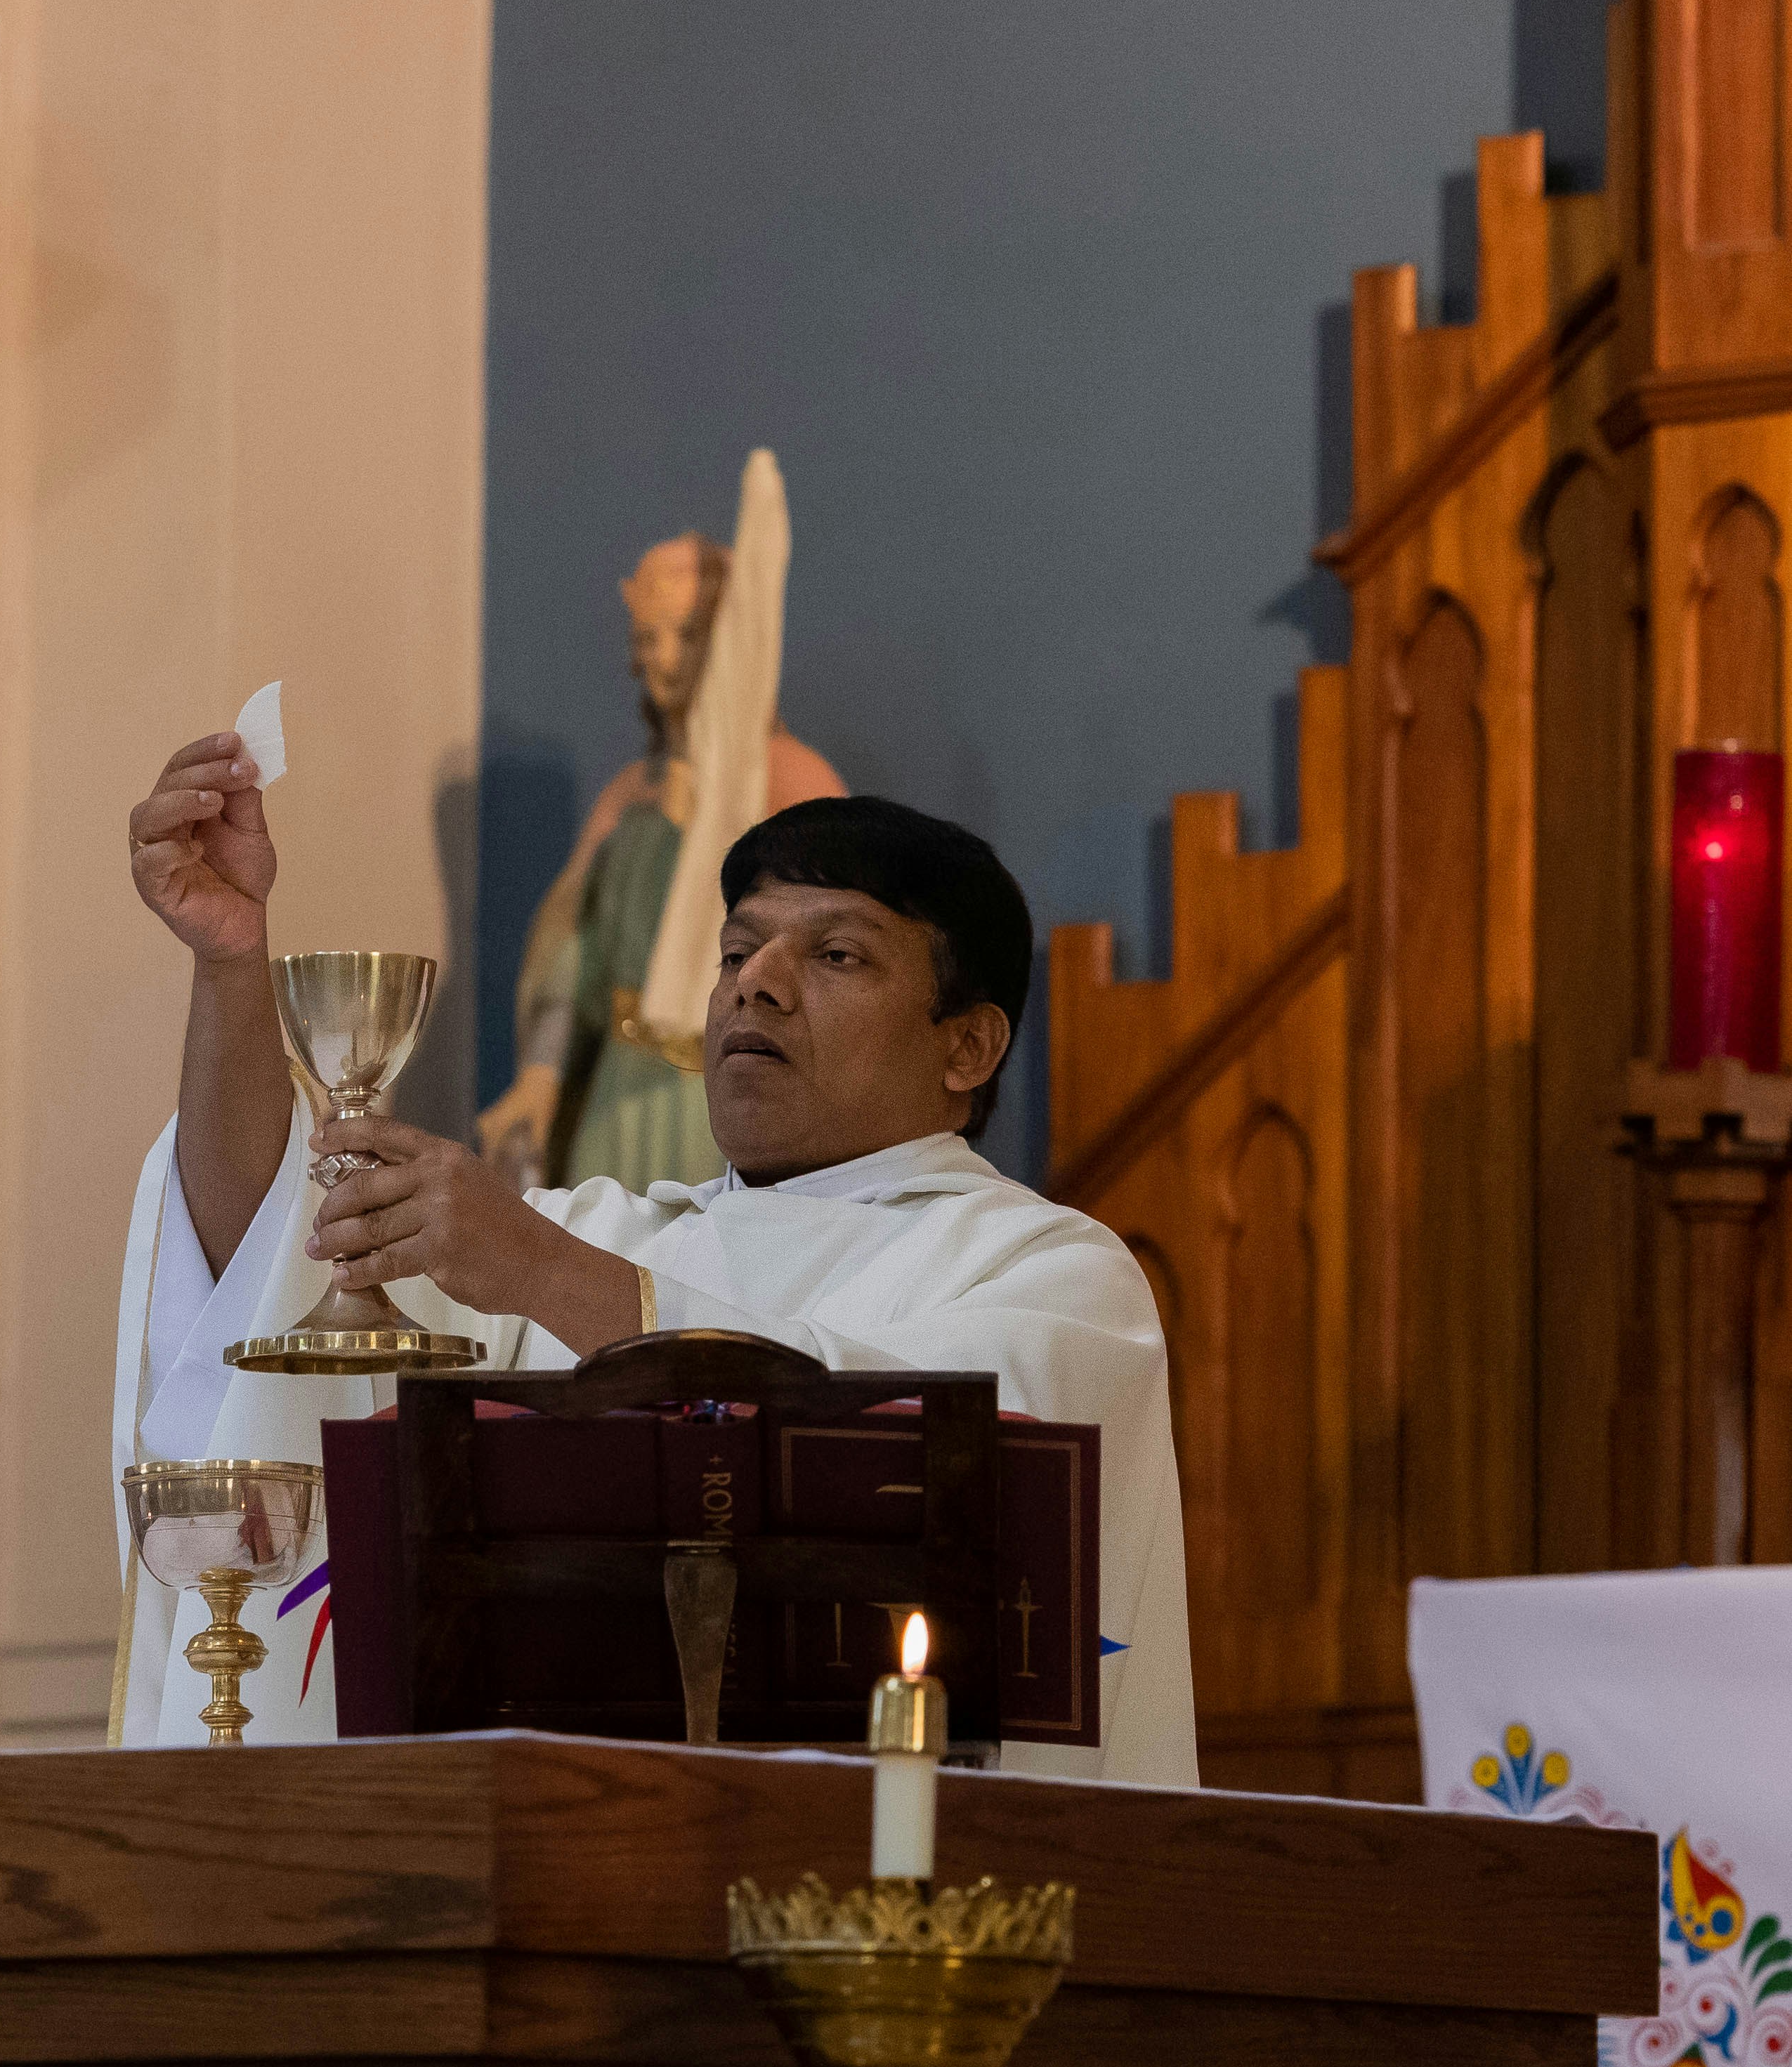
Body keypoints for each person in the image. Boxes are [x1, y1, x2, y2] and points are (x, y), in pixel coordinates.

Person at [112, 741, 1194, 1783]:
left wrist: (542, 1271)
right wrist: (231, 966)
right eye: (736, 951)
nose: (752, 986)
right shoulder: (610, 1235)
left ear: (968, 1045)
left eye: (834, 954)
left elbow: (932, 1462)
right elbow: (263, 1254)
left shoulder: (1054, 1274)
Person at [476, 452, 846, 1194]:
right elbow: (575, 955)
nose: (662, 661)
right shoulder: (628, 797)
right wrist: (544, 1075)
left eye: (683, 636)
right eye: (647, 638)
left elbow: (830, 967)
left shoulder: (797, 784)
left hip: (731, 1093)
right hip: (620, 1091)